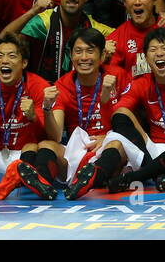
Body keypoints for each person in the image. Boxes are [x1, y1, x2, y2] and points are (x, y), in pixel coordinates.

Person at [73, 28, 165, 193]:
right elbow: (118, 114)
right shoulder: (142, 83)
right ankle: (154, 175)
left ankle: (134, 178)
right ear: (145, 56)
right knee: (122, 115)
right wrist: (105, 101)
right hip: (153, 153)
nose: (159, 54)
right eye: (153, 49)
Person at [0, 35, 61, 200]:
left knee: (33, 146)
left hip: (26, 158)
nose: (4, 61)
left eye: (11, 56)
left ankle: (27, 181)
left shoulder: (38, 87)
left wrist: (34, 117)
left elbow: (49, 138)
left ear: (24, 63)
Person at [48, 28, 130, 198]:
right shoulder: (62, 85)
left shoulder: (118, 76)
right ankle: (42, 187)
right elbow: (56, 136)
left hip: (110, 147)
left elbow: (129, 121)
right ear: (71, 55)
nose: (84, 57)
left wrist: (107, 136)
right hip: (78, 149)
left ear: (102, 56)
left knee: (117, 145)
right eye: (78, 51)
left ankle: (90, 181)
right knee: (46, 146)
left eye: (90, 51)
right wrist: (46, 108)